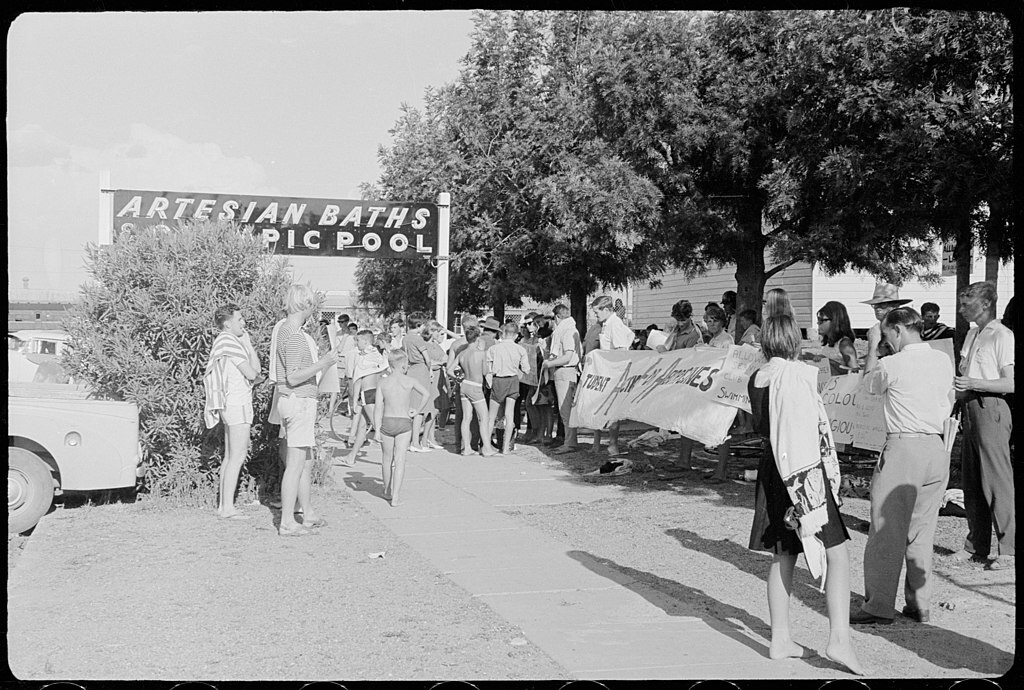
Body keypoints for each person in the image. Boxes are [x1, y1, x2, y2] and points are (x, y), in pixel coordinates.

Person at [747, 314, 863, 675]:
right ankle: (839, 638)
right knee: (837, 551)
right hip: (802, 470)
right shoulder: (798, 375)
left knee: (783, 554)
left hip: (771, 467)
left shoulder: (758, 377)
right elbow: (807, 431)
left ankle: (780, 638)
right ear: (794, 342)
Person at [849, 307, 954, 625]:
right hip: (936, 447)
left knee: (886, 529)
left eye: (887, 334)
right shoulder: (942, 359)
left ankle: (879, 604)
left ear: (896, 331)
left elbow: (866, 386)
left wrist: (871, 347)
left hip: (904, 446)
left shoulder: (891, 364)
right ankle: (919, 603)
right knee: (922, 530)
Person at [953, 281, 1015, 570]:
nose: (962, 309)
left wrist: (975, 383)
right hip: (969, 407)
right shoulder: (973, 334)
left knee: (997, 480)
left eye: (968, 303)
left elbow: (1010, 382)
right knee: (972, 480)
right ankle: (976, 545)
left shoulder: (1002, 335)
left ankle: (1008, 549)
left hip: (991, 407)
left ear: (986, 304)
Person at [275, 284, 338, 537]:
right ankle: (288, 521)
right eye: (312, 303)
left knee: (302, 461)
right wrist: (323, 363)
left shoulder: (286, 331)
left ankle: (301, 515)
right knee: (296, 464)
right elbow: (292, 376)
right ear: (305, 304)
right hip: (298, 399)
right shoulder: (294, 335)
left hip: (293, 400)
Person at [203, 304, 261, 519]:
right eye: (240, 319)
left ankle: (224, 505)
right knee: (237, 456)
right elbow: (253, 373)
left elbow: (255, 370)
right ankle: (227, 507)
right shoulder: (229, 342)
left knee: (230, 456)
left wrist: (247, 343)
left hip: (231, 404)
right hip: (238, 404)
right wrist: (247, 346)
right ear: (228, 323)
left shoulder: (227, 342)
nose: (243, 323)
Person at [374, 349, 431, 507]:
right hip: (404, 422)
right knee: (400, 460)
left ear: (390, 365)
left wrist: (377, 429)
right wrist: (417, 410)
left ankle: (386, 490)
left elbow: (378, 407)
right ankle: (396, 496)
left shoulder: (383, 382)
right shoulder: (410, 381)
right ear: (404, 365)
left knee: (386, 459)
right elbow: (426, 394)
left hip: (388, 421)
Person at [658, 299, 702, 471]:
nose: (680, 323)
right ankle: (682, 459)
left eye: (683, 319)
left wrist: (668, 354)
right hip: (676, 379)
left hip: (686, 382)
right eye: (678, 319)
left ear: (690, 317)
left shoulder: (694, 334)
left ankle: (685, 460)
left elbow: (688, 358)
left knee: (686, 423)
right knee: (680, 422)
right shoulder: (677, 330)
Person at [589, 294, 635, 461]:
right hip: (605, 372)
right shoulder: (606, 324)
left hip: (614, 374)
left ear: (607, 309)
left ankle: (613, 444)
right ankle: (598, 443)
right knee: (601, 408)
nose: (596, 316)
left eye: (597, 312)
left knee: (612, 412)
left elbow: (622, 349)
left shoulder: (615, 324)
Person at [449, 325, 496, 456]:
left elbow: (449, 370)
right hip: (475, 386)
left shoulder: (462, 353)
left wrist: (459, 379)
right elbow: (485, 371)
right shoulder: (481, 354)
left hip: (464, 385)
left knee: (466, 417)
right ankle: (486, 448)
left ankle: (467, 448)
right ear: (477, 338)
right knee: (483, 417)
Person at [702, 304, 736, 483]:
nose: (710, 325)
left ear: (722, 322)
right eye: (708, 321)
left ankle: (721, 470)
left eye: (714, 321)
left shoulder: (726, 340)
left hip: (722, 387)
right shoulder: (712, 339)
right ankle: (717, 468)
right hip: (711, 386)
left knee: (723, 429)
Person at [486, 322, 531, 454]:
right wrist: (518, 376)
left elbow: (488, 369)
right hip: (513, 380)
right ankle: (506, 448)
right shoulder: (520, 349)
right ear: (516, 335)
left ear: (502, 333)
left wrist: (490, 383)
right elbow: (526, 370)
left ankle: (487, 445)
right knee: (509, 415)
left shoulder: (494, 349)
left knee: (492, 416)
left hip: (498, 379)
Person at [542, 304, 582, 451]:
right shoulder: (567, 330)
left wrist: (549, 363)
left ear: (557, 317)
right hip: (564, 371)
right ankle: (569, 441)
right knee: (565, 410)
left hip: (566, 370)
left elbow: (568, 356)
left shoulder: (567, 331)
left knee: (566, 411)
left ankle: (569, 443)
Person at [345, 329, 389, 463]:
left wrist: (354, 402)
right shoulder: (377, 355)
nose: (356, 343)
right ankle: (351, 457)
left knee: (378, 427)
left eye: (358, 340)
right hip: (377, 392)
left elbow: (357, 380)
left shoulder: (363, 357)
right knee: (362, 427)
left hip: (367, 394)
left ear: (365, 341)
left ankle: (389, 457)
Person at [448, 315, 484, 453]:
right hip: (475, 382)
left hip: (462, 383)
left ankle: (460, 444)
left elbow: (449, 367)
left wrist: (459, 379)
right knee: (475, 416)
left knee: (461, 415)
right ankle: (473, 444)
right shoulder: (478, 343)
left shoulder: (456, 345)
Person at [402, 312, 432, 453]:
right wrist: (430, 369)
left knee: (411, 405)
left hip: (411, 370)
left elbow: (406, 356)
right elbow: (427, 358)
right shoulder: (418, 340)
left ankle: (409, 440)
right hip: (421, 370)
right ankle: (415, 442)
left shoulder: (405, 338)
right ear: (419, 325)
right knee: (420, 407)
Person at [420, 320, 449, 451]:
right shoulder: (425, 344)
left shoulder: (436, 345)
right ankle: (424, 438)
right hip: (432, 378)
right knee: (432, 408)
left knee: (438, 408)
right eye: (439, 332)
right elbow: (427, 363)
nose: (441, 335)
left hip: (440, 378)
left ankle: (430, 437)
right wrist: (440, 362)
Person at [806, 301, 859, 373]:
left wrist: (828, 362)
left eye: (821, 320)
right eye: (818, 320)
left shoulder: (844, 344)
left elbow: (854, 371)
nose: (818, 323)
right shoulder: (830, 342)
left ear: (835, 321)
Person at [862, 283, 911, 360]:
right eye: (875, 305)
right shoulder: (876, 329)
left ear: (895, 306)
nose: (877, 308)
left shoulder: (902, 328)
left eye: (883, 305)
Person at [518, 312, 546, 444]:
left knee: (537, 404)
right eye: (526, 324)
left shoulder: (541, 338)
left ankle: (539, 433)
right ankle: (534, 431)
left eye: (530, 324)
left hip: (541, 376)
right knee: (530, 403)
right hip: (529, 377)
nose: (528, 327)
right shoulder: (527, 339)